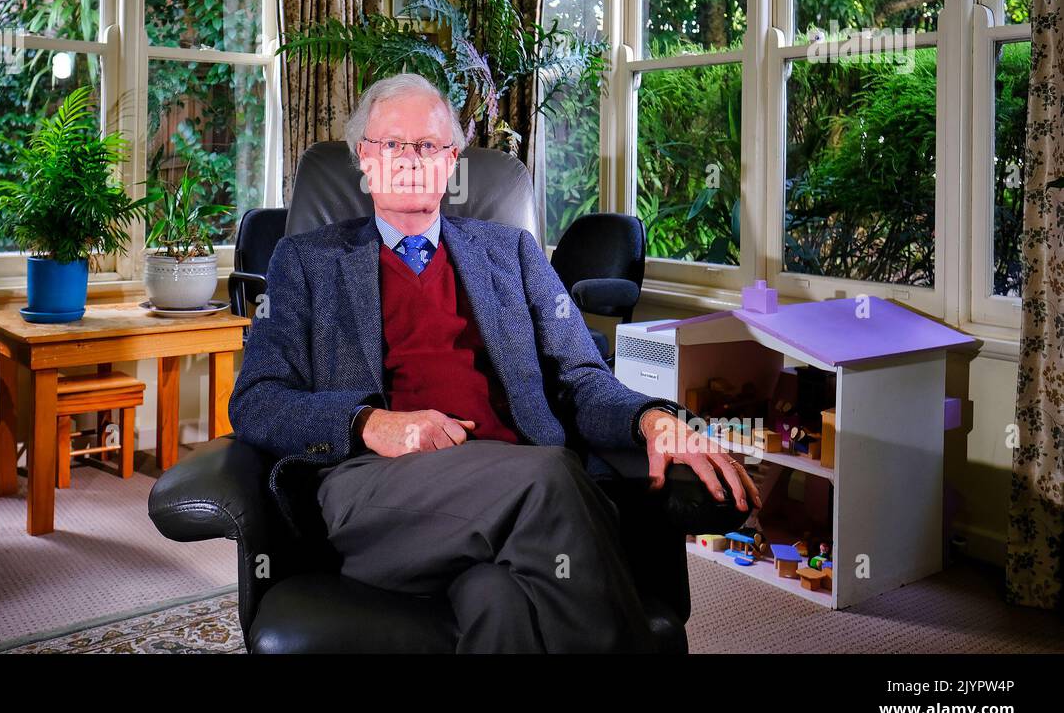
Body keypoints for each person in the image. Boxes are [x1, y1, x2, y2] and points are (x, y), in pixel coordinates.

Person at [230, 72, 759, 652]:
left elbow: (582, 378)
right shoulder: (306, 260)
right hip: (379, 492)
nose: (409, 160)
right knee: (554, 476)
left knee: (498, 602)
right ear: (363, 158)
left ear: (451, 161)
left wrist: (651, 419)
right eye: (390, 144)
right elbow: (257, 400)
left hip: (512, 488)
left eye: (427, 146)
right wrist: (369, 424)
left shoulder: (510, 253)